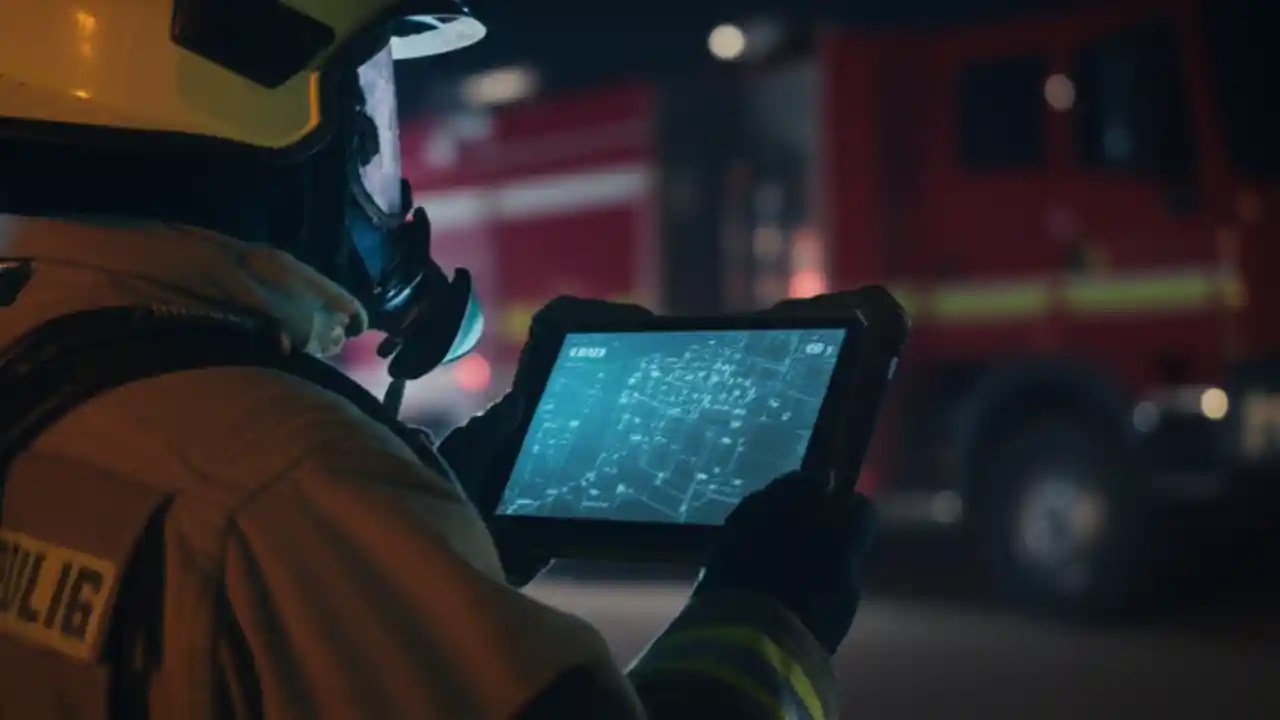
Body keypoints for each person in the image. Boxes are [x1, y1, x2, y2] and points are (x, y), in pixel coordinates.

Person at [0, 1, 877, 718]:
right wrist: (765, 619)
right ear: (254, 94)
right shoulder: (292, 483)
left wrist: (431, 544)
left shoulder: (39, 365)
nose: (383, 166)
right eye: (372, 100)